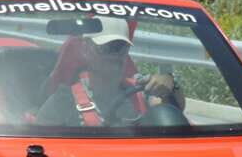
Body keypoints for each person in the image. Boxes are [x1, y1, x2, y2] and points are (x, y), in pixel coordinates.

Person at [37, 17, 182, 127]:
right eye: (108, 47)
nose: (115, 56)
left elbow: (174, 110)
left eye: (121, 47)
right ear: (87, 50)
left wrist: (171, 84)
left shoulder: (140, 91)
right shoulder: (64, 99)